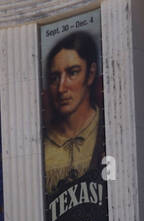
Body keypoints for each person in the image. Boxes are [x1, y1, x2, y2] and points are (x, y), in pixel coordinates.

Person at [42, 31, 105, 195]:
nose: (62, 88)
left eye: (73, 73)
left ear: (90, 74)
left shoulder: (105, 130)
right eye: (55, 77)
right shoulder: (44, 144)